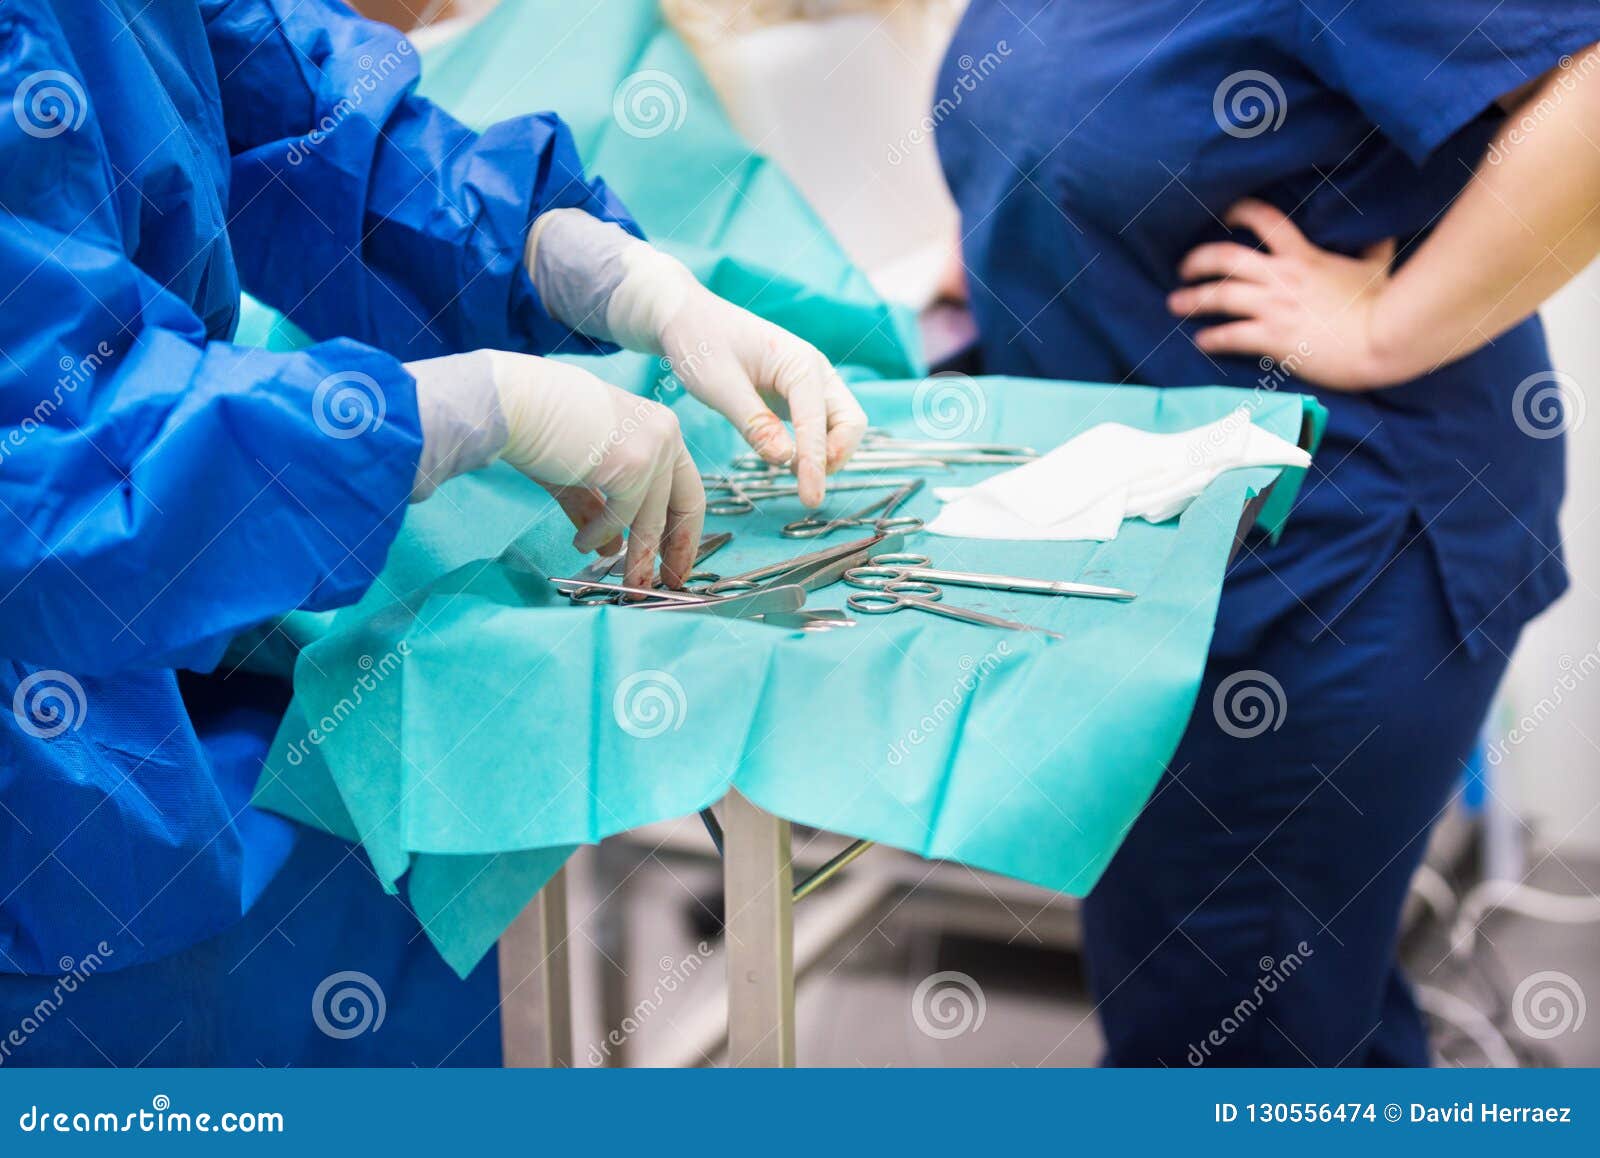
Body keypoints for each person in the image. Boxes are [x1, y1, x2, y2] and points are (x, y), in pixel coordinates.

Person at [0, 0, 864, 1065]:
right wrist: (457, 410)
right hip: (52, 824)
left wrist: (595, 267)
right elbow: (55, 461)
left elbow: (303, 113)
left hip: (204, 735)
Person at [934, 1, 1600, 1065]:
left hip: (1330, 564)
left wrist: (1381, 330)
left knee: (1237, 1039)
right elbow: (1089, 105)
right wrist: (1020, 232)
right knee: (1243, 1012)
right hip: (1171, 563)